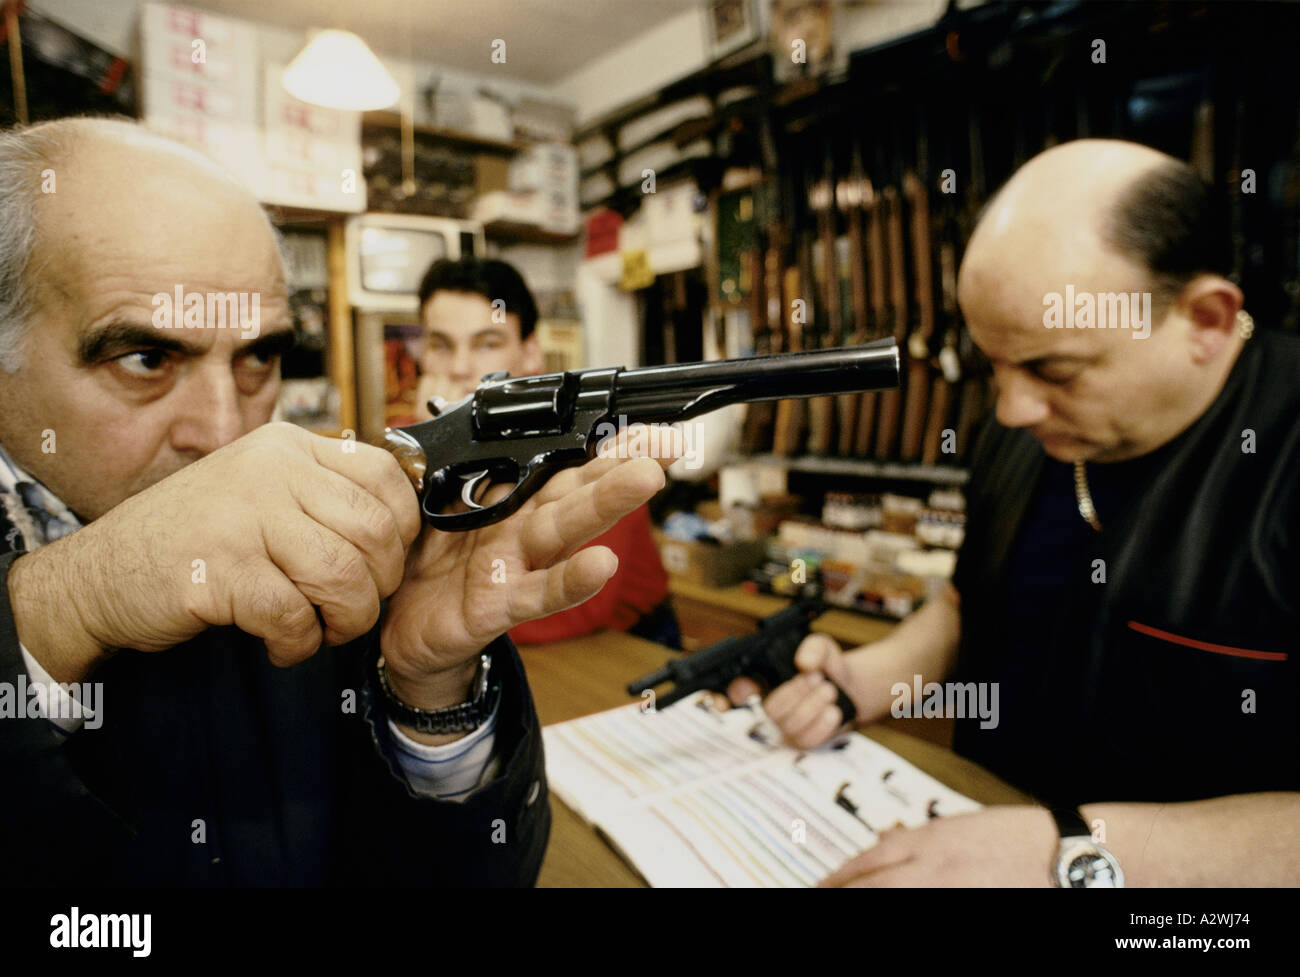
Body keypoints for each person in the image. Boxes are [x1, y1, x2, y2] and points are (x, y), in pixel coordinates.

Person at [0, 117, 669, 885]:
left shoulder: (336, 543)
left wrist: (429, 695)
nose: (226, 432)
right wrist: (67, 605)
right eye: (146, 358)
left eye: (258, 357)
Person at [729, 139, 1300, 886]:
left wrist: (1072, 851)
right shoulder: (1030, 424)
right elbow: (973, 604)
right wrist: (866, 679)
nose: (1009, 407)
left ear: (1207, 319)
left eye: (1052, 368)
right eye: (994, 363)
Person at [414, 256, 680, 648]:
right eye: (441, 344)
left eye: (487, 343)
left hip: (621, 646)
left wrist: (433, 610)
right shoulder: (415, 437)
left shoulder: (591, 437)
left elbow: (578, 611)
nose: (459, 367)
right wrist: (428, 456)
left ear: (531, 353)